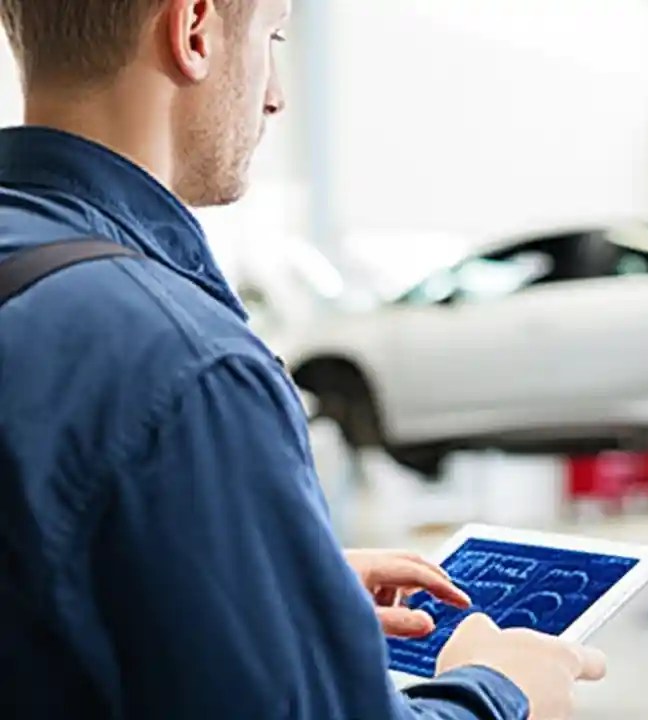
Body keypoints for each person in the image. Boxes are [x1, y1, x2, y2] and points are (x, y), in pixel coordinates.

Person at [0, 1, 606, 718]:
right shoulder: (188, 368)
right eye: (272, 38)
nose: (276, 93)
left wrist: (262, 590)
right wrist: (501, 691)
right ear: (193, 28)